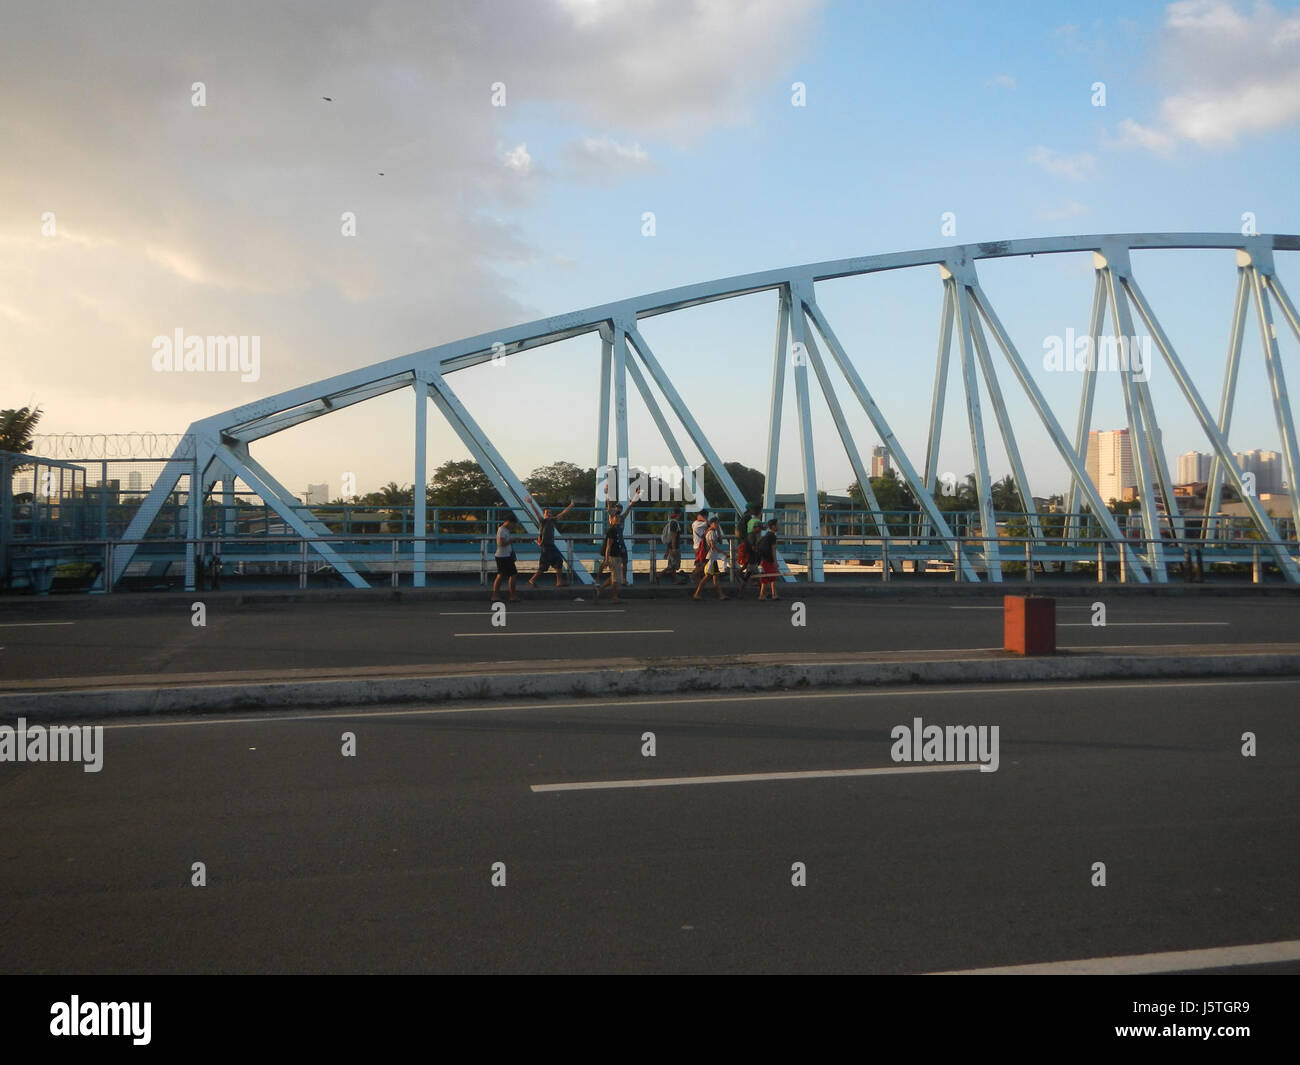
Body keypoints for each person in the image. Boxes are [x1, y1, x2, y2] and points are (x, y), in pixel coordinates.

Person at [526, 497, 575, 587]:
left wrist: (570, 505)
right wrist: (531, 503)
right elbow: (536, 513)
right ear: (544, 515)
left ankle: (559, 581)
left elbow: (563, 513)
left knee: (558, 561)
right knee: (543, 566)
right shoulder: (543, 522)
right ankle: (531, 580)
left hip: (551, 546)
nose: (549, 514)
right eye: (547, 513)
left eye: (550, 513)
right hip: (545, 546)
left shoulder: (553, 521)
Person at [693, 515, 729, 601]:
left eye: (718, 524)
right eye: (716, 523)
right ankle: (697, 593)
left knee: (715, 578)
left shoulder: (712, 532)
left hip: (713, 558)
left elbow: (720, 541)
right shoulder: (711, 533)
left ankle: (721, 595)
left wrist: (719, 530)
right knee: (707, 576)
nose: (717, 525)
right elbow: (713, 547)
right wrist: (723, 553)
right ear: (711, 524)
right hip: (711, 558)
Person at [491, 516, 521, 602]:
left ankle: (499, 595)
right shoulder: (502, 530)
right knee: (510, 574)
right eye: (513, 524)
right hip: (503, 556)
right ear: (509, 522)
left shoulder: (505, 530)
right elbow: (501, 543)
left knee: (503, 575)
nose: (513, 526)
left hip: (506, 555)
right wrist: (512, 540)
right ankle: (510, 595)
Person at [659, 506, 686, 583]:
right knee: (673, 566)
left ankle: (676, 580)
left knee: (672, 565)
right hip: (674, 547)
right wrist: (674, 549)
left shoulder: (671, 522)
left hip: (670, 547)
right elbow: (673, 537)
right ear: (679, 514)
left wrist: (667, 551)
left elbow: (669, 538)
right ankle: (659, 575)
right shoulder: (674, 523)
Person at [756, 518, 780, 600]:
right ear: (773, 526)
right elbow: (773, 550)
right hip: (769, 560)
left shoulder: (766, 535)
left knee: (766, 577)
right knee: (772, 576)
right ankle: (768, 595)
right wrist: (775, 562)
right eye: (777, 525)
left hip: (763, 559)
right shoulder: (772, 536)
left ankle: (769, 594)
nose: (778, 526)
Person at [690, 508, 709, 582]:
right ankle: (693, 575)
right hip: (700, 547)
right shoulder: (698, 524)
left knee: (699, 563)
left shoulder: (695, 523)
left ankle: (697, 578)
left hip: (697, 546)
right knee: (702, 563)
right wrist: (704, 519)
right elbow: (708, 524)